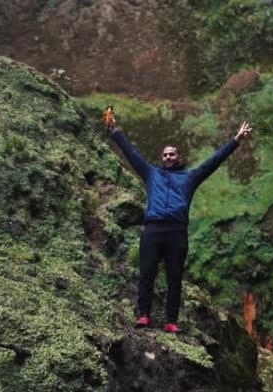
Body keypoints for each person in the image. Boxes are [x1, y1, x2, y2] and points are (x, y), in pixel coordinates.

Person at [106, 111, 252, 333]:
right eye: (164, 155)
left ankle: (171, 321)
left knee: (175, 277)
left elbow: (213, 162)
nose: (167, 157)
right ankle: (143, 315)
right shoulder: (151, 174)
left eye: (172, 154)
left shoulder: (190, 178)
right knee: (146, 273)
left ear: (179, 157)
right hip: (153, 228)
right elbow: (131, 154)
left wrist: (236, 140)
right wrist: (115, 132)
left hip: (176, 231)